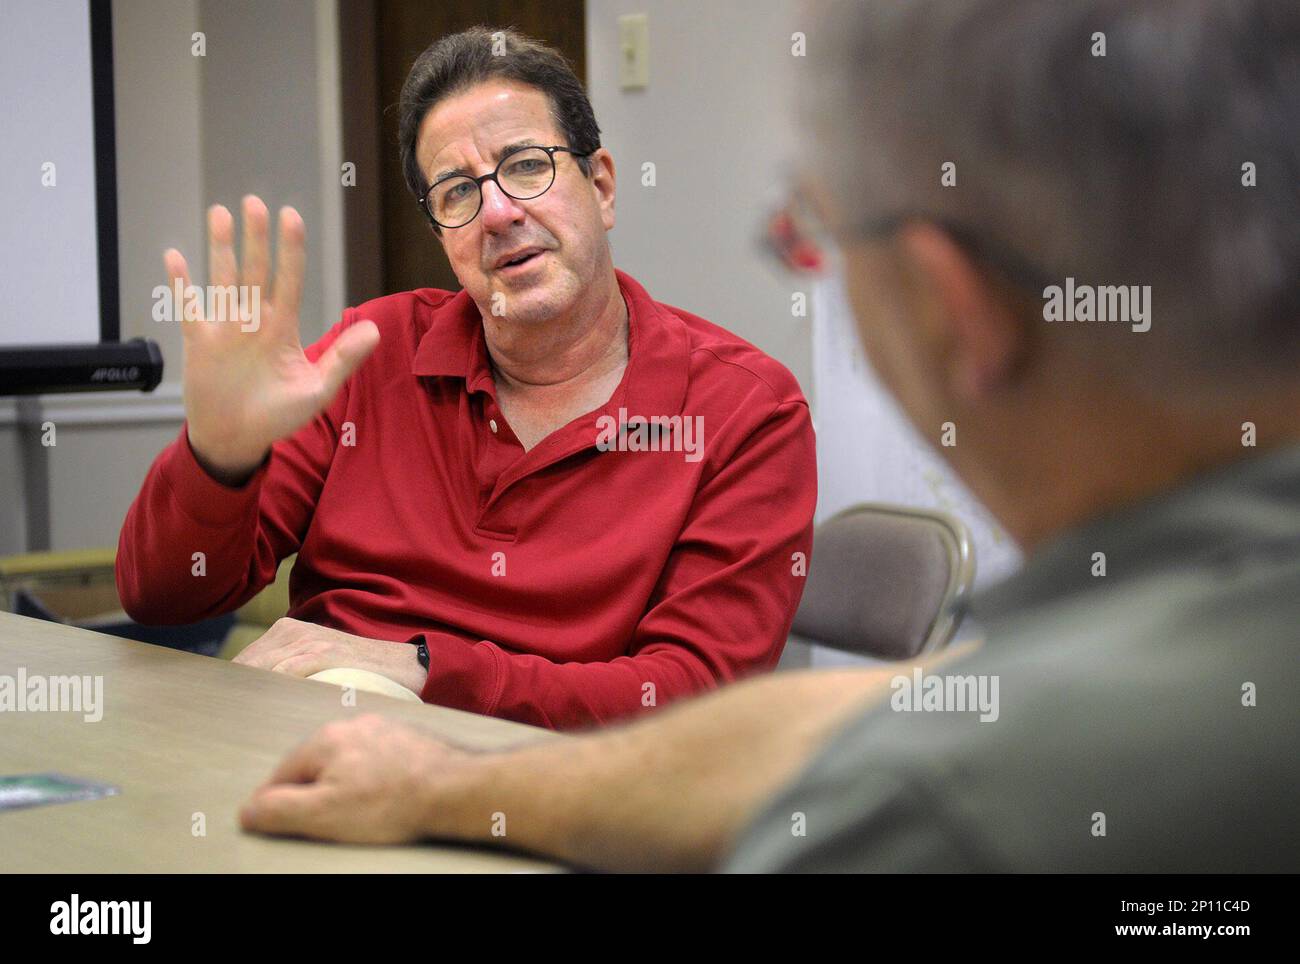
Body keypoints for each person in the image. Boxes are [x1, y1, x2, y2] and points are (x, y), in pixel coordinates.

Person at [240, 0, 1300, 871]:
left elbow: (770, 714)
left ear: (950, 310)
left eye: (808, 229)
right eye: (460, 194)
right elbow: (870, 705)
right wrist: (449, 781)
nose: (500, 214)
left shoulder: (933, 818)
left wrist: (427, 693)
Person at [115, 28, 816, 730]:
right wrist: (218, 458)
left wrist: (423, 668)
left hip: (560, 796)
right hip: (313, 749)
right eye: (458, 193)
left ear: (600, 186)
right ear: (442, 235)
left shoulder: (745, 409)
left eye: (527, 166)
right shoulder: (374, 353)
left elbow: (691, 700)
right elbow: (166, 600)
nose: (500, 213)